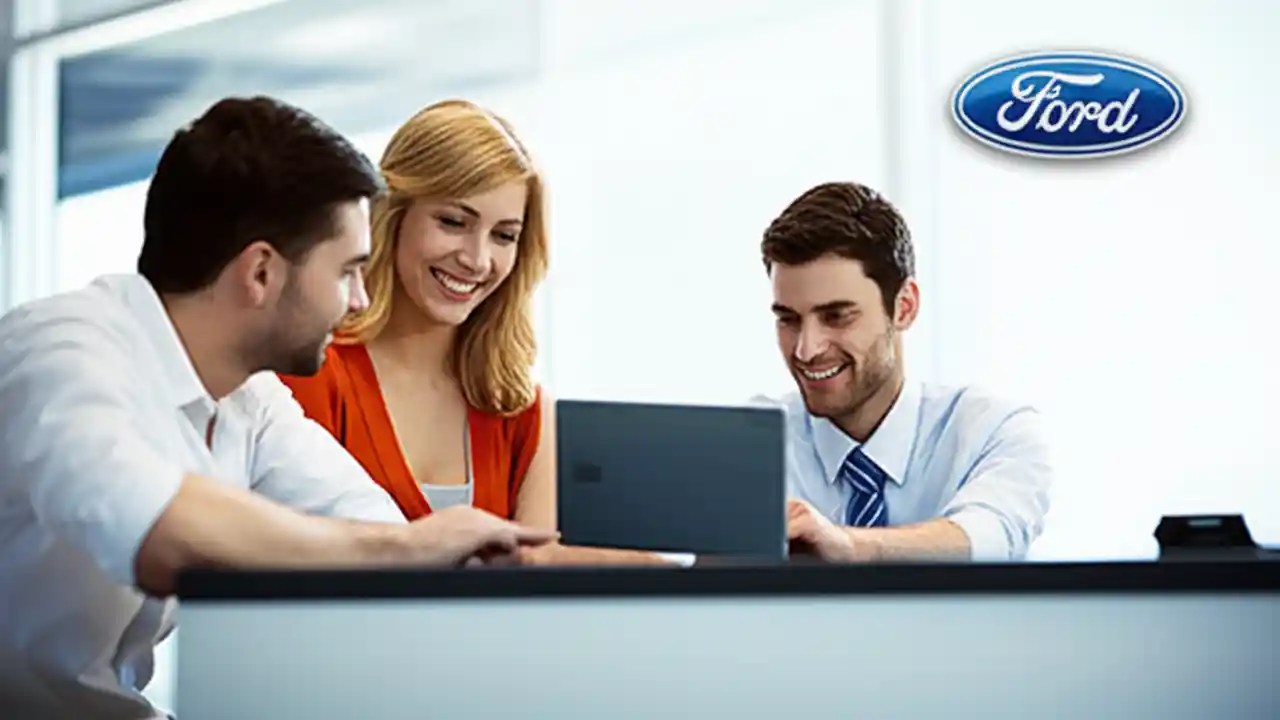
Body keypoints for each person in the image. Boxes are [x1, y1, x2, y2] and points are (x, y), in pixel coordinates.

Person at [0, 96, 554, 719]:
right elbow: (161, 532)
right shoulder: (61, 350)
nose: (358, 300)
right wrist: (409, 549)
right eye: (346, 272)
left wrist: (431, 551)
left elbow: (373, 525)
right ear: (261, 272)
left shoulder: (250, 399)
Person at [279, 99, 677, 566]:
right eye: (453, 222)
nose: (477, 259)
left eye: (503, 236)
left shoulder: (520, 408)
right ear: (393, 215)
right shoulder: (310, 372)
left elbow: (541, 576)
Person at [754, 181, 1052, 563]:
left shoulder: (993, 432)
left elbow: (990, 538)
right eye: (789, 319)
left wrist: (846, 547)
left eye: (837, 316)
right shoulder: (752, 443)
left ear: (904, 307)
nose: (806, 350)